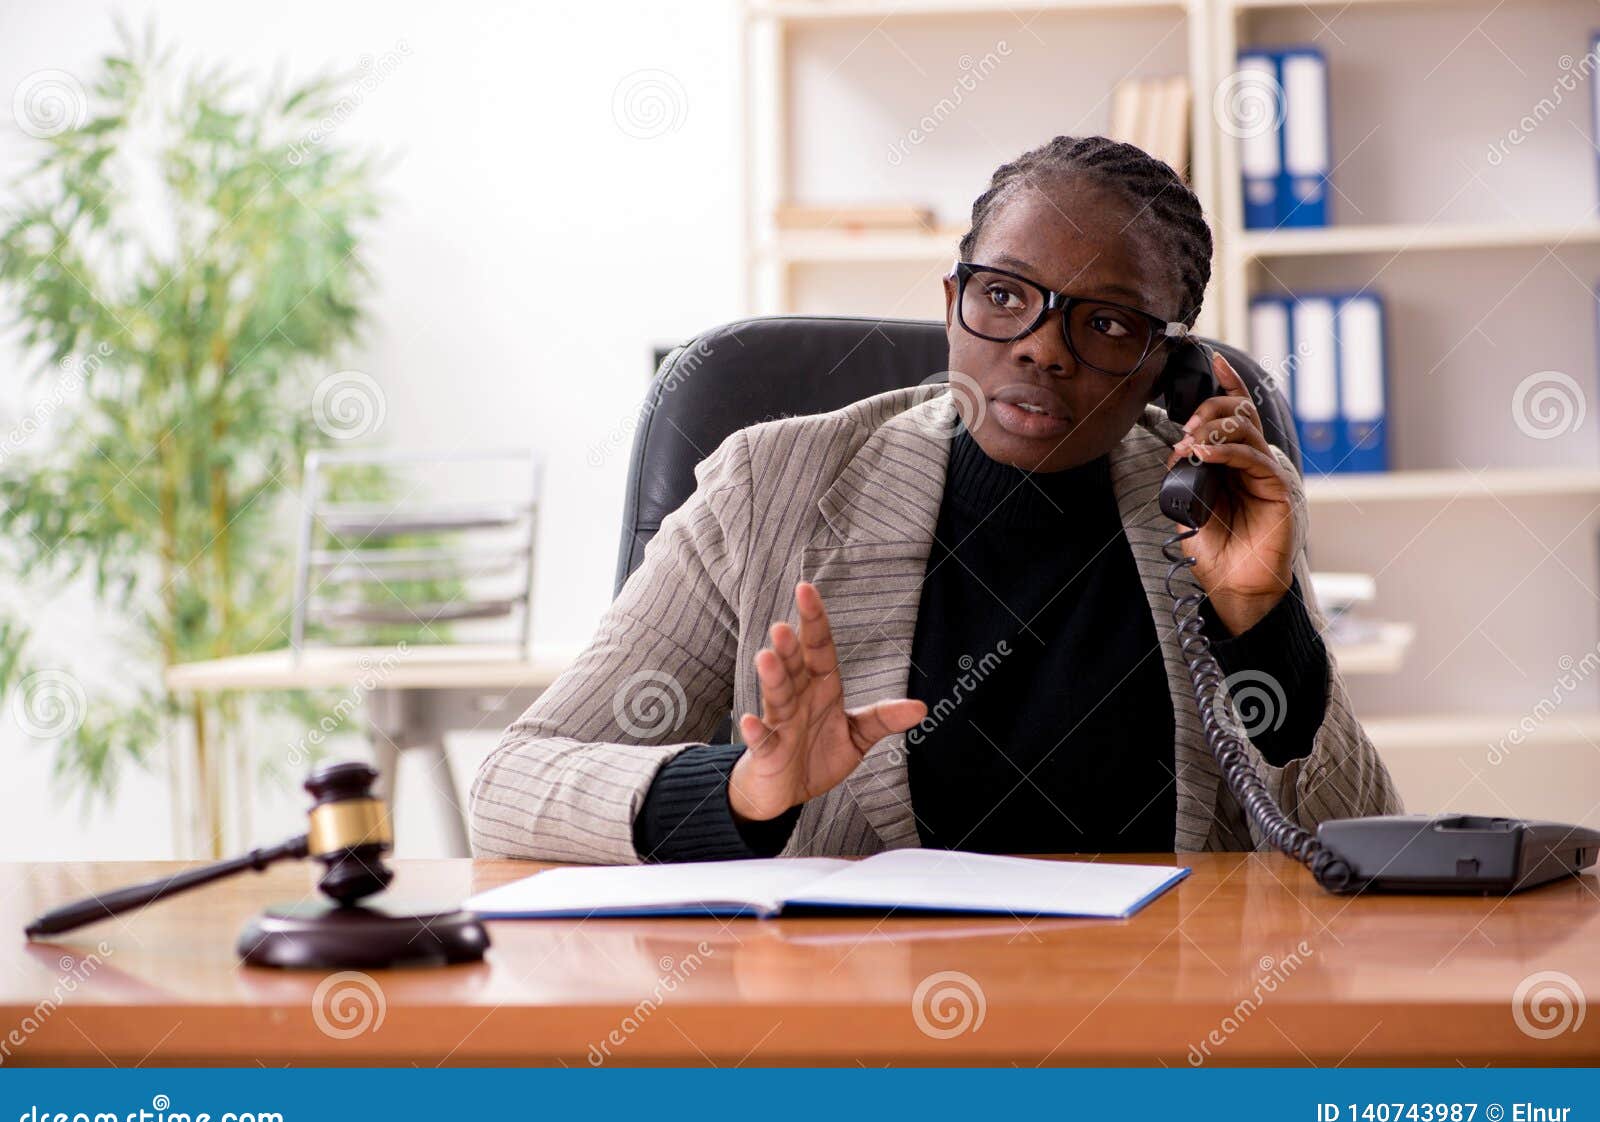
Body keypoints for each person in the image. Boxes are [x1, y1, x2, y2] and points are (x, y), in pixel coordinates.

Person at [470, 134, 1402, 865]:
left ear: (1169, 365)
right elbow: (512, 784)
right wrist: (742, 791)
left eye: (1107, 322)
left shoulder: (1211, 509)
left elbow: (1356, 844)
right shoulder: (770, 491)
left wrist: (1261, 623)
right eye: (1005, 296)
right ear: (953, 299)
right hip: (851, 1039)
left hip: (1157, 1022)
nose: (1042, 347)